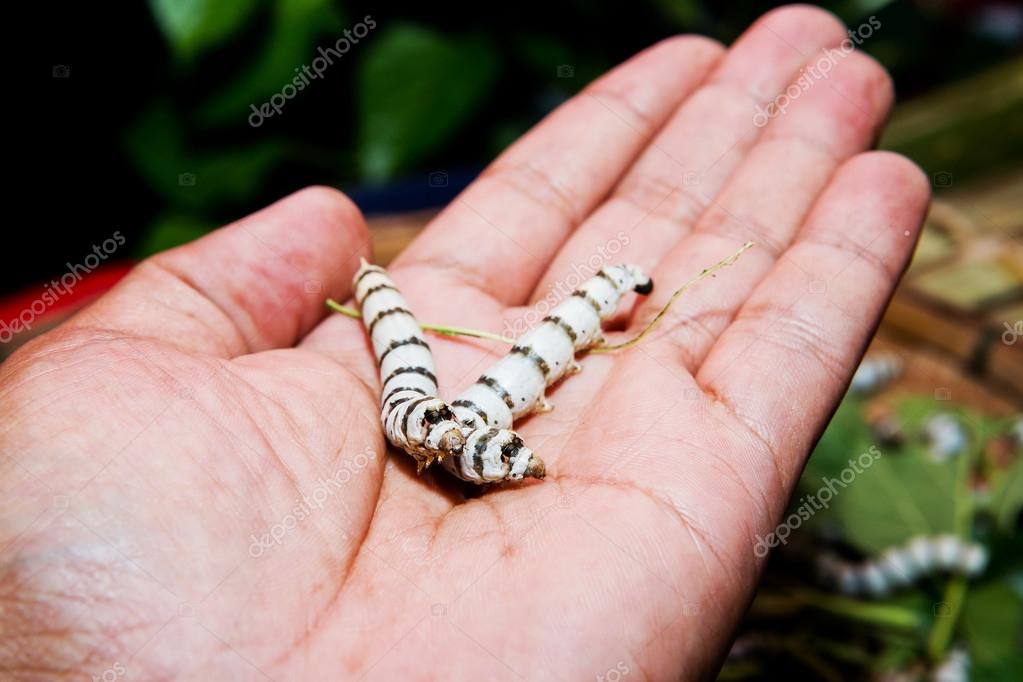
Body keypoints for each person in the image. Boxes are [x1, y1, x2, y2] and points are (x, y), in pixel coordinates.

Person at [0, 6, 929, 679]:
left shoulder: (454, 420)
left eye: (503, 454)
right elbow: (432, 409)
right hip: (448, 392)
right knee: (490, 342)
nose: (520, 461)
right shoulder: (435, 424)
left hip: (466, 390)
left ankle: (547, 305)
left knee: (530, 343)